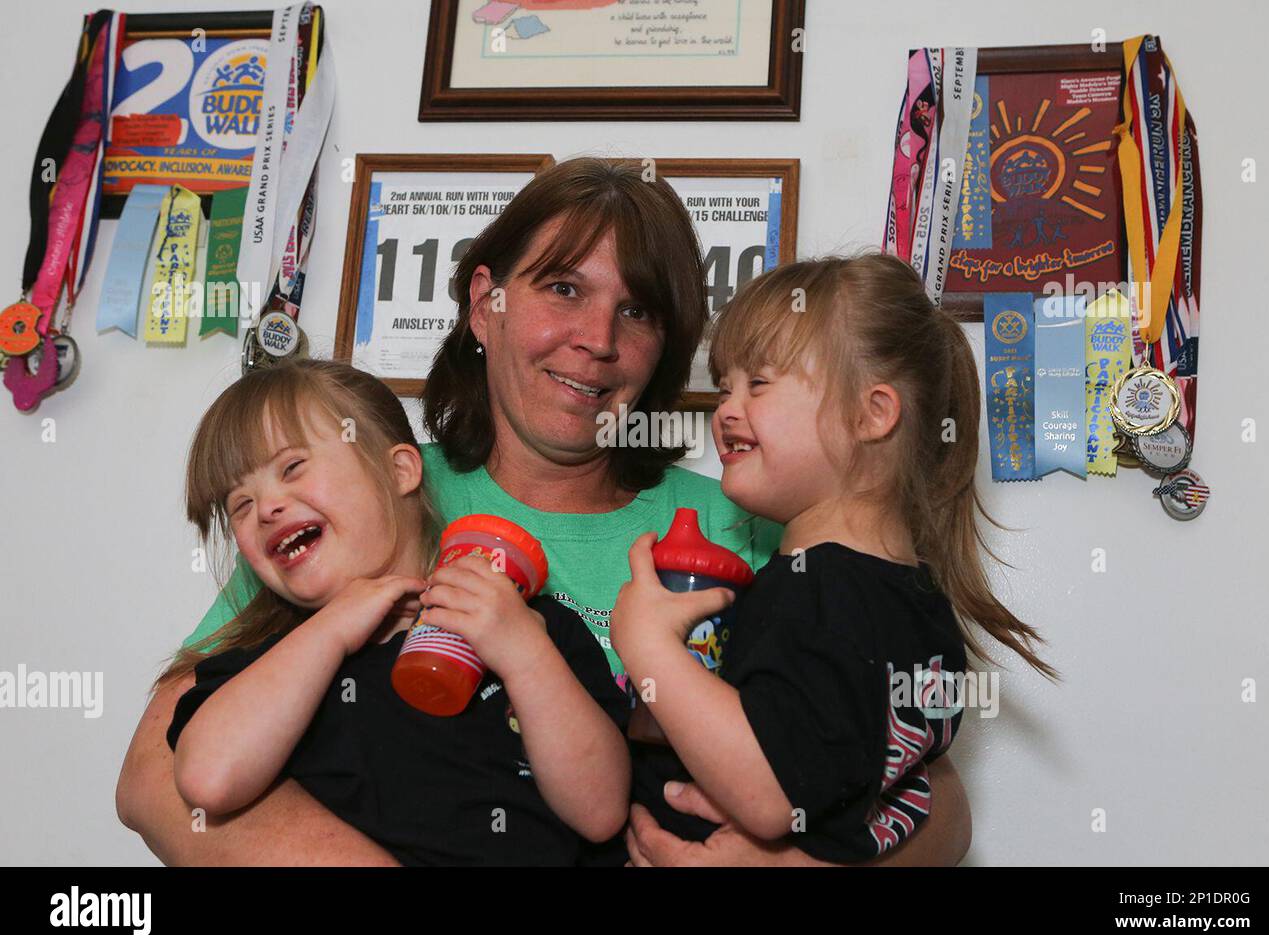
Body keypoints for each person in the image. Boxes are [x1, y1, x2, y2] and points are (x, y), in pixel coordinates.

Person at [116, 157, 972, 865]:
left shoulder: (750, 523)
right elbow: (158, 777)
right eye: (563, 289)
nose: (598, 339)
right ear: (484, 300)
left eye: (636, 310)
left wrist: (793, 864)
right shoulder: (366, 508)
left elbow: (924, 792)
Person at [613, 253, 1056, 863]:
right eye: (725, 387)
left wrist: (648, 645)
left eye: (758, 383)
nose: (726, 409)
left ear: (871, 414)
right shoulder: (911, 597)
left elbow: (771, 792)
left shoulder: (817, 592)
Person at [159, 359, 629, 864]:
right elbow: (209, 780)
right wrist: (333, 628)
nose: (267, 507)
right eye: (240, 504)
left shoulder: (536, 626)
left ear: (399, 469)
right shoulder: (263, 671)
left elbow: (600, 811)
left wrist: (524, 654)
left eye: (292, 468)